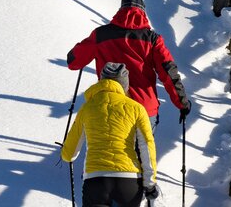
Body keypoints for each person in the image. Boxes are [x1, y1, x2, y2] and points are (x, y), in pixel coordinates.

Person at [67, 0, 191, 125]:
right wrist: (182, 103)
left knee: (104, 144)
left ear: (120, 11)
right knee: (143, 145)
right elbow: (169, 72)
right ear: (143, 13)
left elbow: (73, 62)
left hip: (109, 104)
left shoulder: (100, 35)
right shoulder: (153, 40)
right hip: (143, 108)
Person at [61, 62, 159, 207]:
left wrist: (65, 152)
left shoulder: (86, 108)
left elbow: (69, 155)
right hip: (129, 182)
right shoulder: (136, 108)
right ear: (125, 85)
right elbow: (147, 146)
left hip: (95, 182)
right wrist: (150, 183)